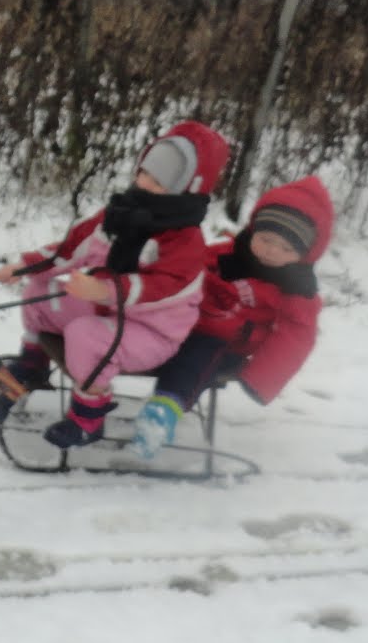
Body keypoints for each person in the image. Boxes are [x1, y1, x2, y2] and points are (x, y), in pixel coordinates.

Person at [0, 121, 231, 449]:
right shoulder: (120, 214)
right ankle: (32, 366)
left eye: (158, 181)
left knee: (85, 336)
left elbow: (165, 287)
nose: (144, 182)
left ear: (187, 187)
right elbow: (71, 248)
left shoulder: (184, 240)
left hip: (153, 330)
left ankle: (89, 417)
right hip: (105, 308)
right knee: (39, 295)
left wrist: (104, 290)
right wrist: (26, 267)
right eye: (144, 172)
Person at [128, 175, 333, 459]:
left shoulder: (298, 289)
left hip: (227, 341)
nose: (272, 251)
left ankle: (164, 410)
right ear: (253, 230)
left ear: (305, 253)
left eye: (287, 248)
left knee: (197, 356)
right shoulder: (230, 253)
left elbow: (297, 335)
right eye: (266, 239)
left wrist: (260, 378)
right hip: (185, 320)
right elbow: (187, 265)